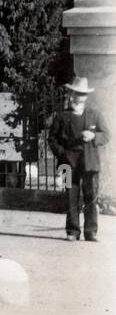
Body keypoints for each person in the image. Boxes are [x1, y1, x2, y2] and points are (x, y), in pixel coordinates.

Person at [47, 77, 108, 241]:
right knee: (69, 196)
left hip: (90, 162)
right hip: (66, 163)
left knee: (91, 196)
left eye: (81, 94)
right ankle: (72, 231)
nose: (77, 97)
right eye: (74, 93)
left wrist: (94, 135)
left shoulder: (95, 115)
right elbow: (52, 139)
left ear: (86, 97)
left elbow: (106, 135)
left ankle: (91, 232)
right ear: (70, 94)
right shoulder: (61, 116)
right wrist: (62, 154)